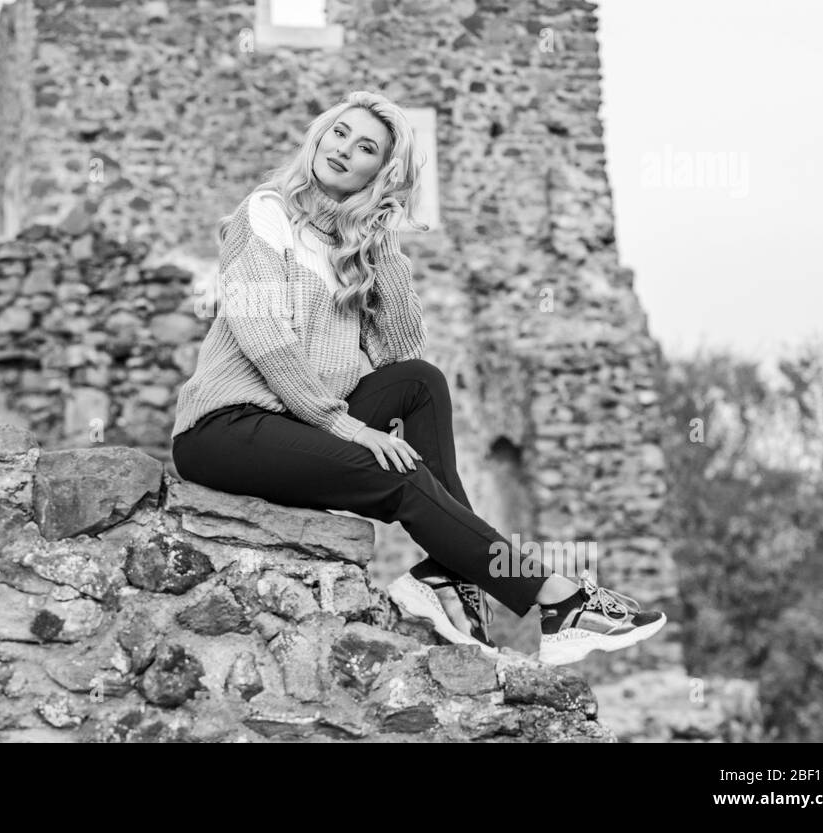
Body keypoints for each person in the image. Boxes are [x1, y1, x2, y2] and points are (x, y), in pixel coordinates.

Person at [170, 90, 666, 665]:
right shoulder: (264, 213)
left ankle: (447, 575)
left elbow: (401, 351)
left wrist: (382, 242)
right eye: (339, 133)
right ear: (319, 135)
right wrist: (347, 428)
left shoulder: (353, 243)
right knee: (397, 474)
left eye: (366, 150)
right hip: (225, 430)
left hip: (296, 422)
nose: (344, 151)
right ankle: (557, 599)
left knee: (421, 382)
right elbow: (264, 336)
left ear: (378, 174)